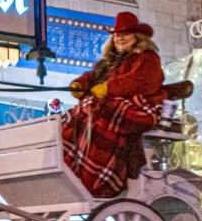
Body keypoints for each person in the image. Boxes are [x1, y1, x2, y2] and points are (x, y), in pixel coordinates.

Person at [62, 11, 165, 198]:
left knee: (100, 111)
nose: (119, 38)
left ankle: (98, 176)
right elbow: (91, 77)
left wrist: (108, 88)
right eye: (117, 35)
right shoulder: (108, 62)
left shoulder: (148, 58)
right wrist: (80, 85)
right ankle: (69, 167)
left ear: (137, 37)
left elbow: (141, 82)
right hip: (111, 104)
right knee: (74, 115)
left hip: (139, 107)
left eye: (125, 34)